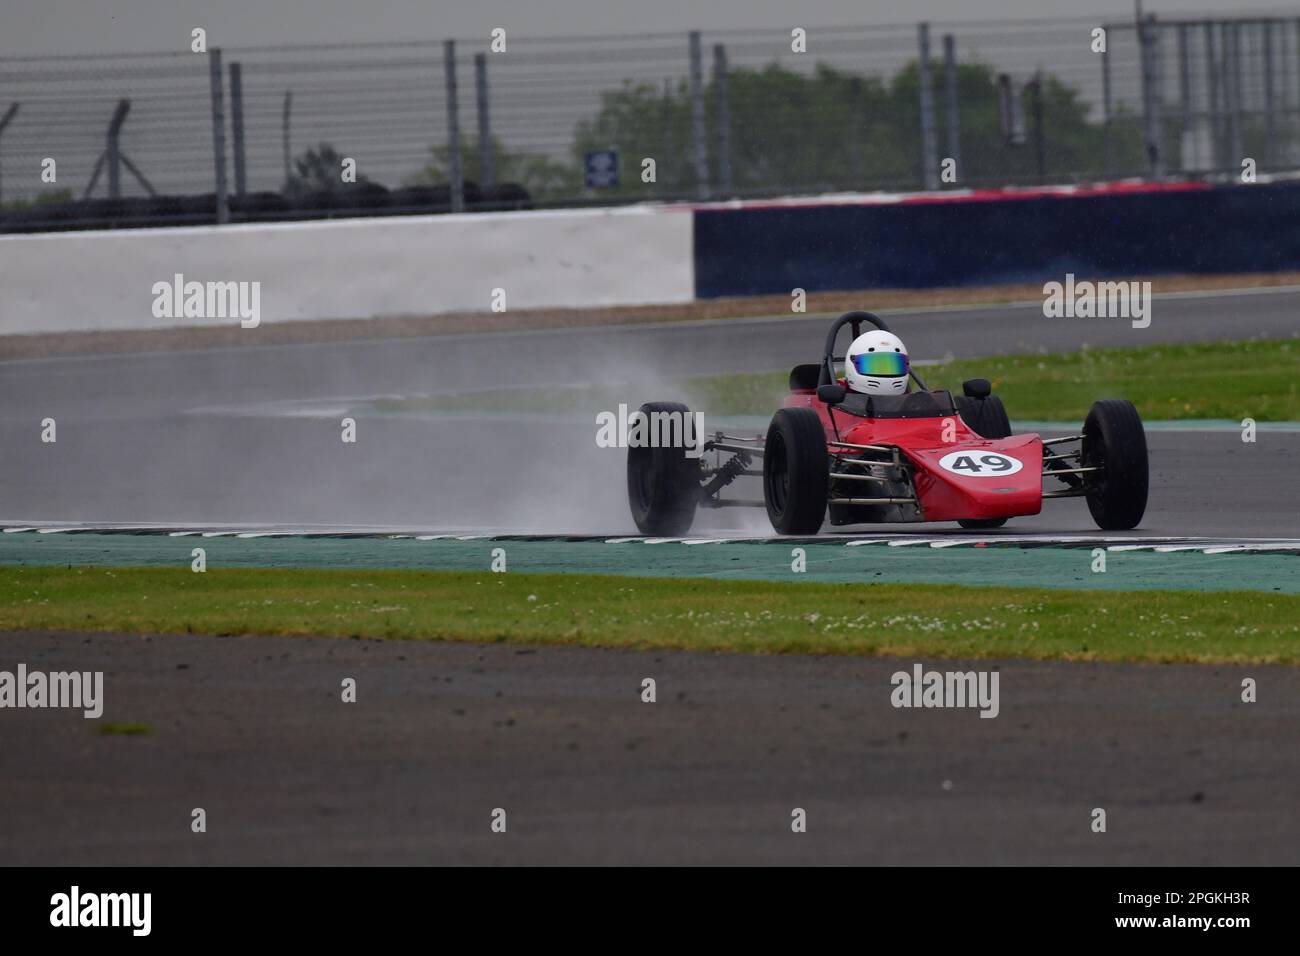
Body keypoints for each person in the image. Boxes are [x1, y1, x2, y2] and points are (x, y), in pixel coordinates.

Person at [844, 330, 909, 395]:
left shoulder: (907, 398)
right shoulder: (839, 396)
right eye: (873, 366)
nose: (884, 371)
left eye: (892, 366)